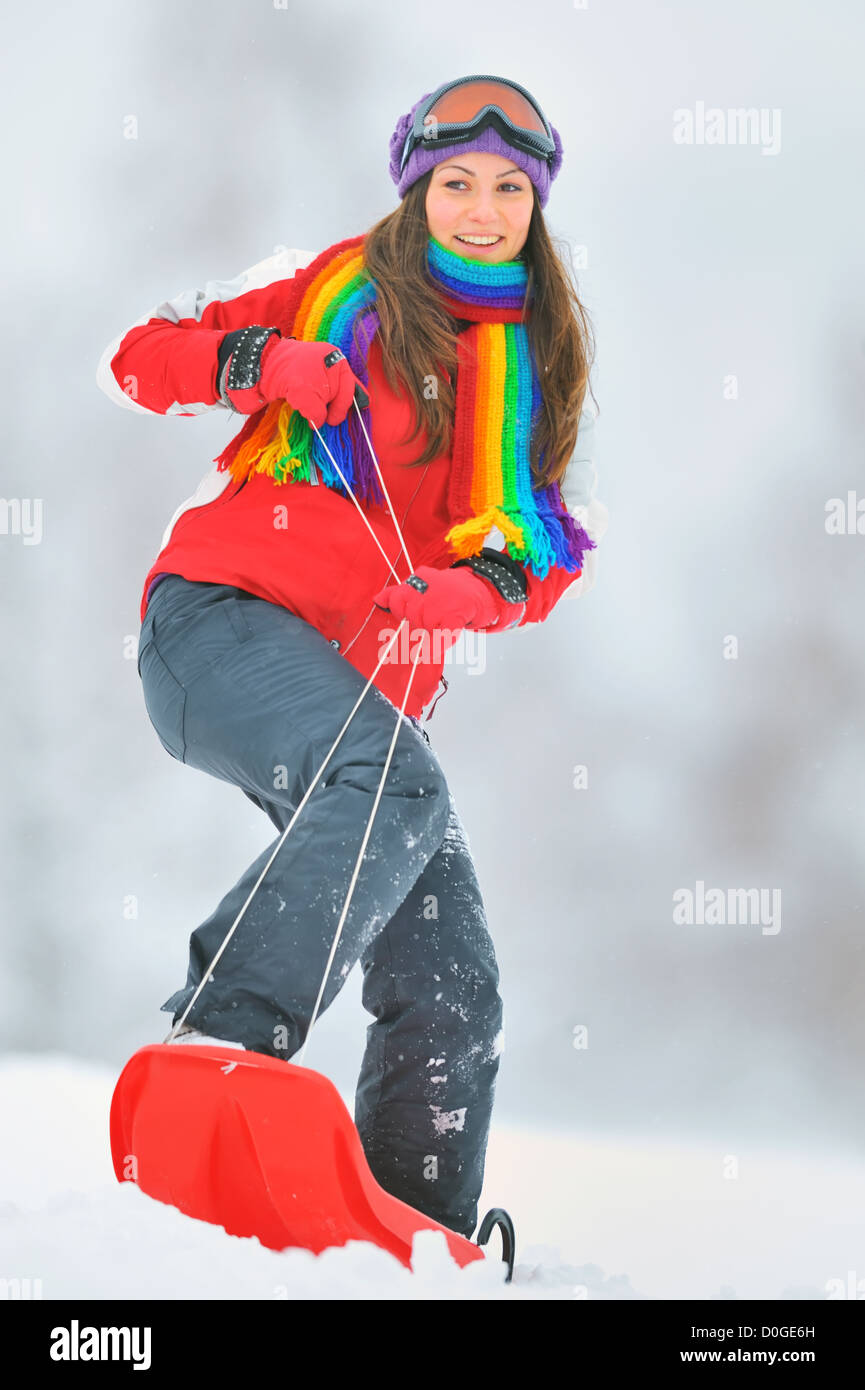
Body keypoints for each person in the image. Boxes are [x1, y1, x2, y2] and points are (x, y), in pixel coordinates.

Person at [96, 74, 609, 1241]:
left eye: (506, 191)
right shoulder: (336, 290)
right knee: (395, 783)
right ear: (417, 191)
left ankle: (406, 1230)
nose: (480, 211)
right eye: (455, 185)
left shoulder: (523, 366)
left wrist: (475, 587)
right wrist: (259, 364)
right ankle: (223, 1031)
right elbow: (142, 357)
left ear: (533, 207)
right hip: (217, 621)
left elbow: (541, 538)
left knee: (454, 977)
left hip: (361, 697)